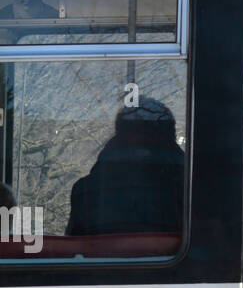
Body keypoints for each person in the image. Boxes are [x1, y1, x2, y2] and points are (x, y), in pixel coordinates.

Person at [66, 98, 184, 237]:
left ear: (118, 136)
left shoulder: (85, 191)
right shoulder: (191, 191)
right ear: (171, 137)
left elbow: (75, 250)